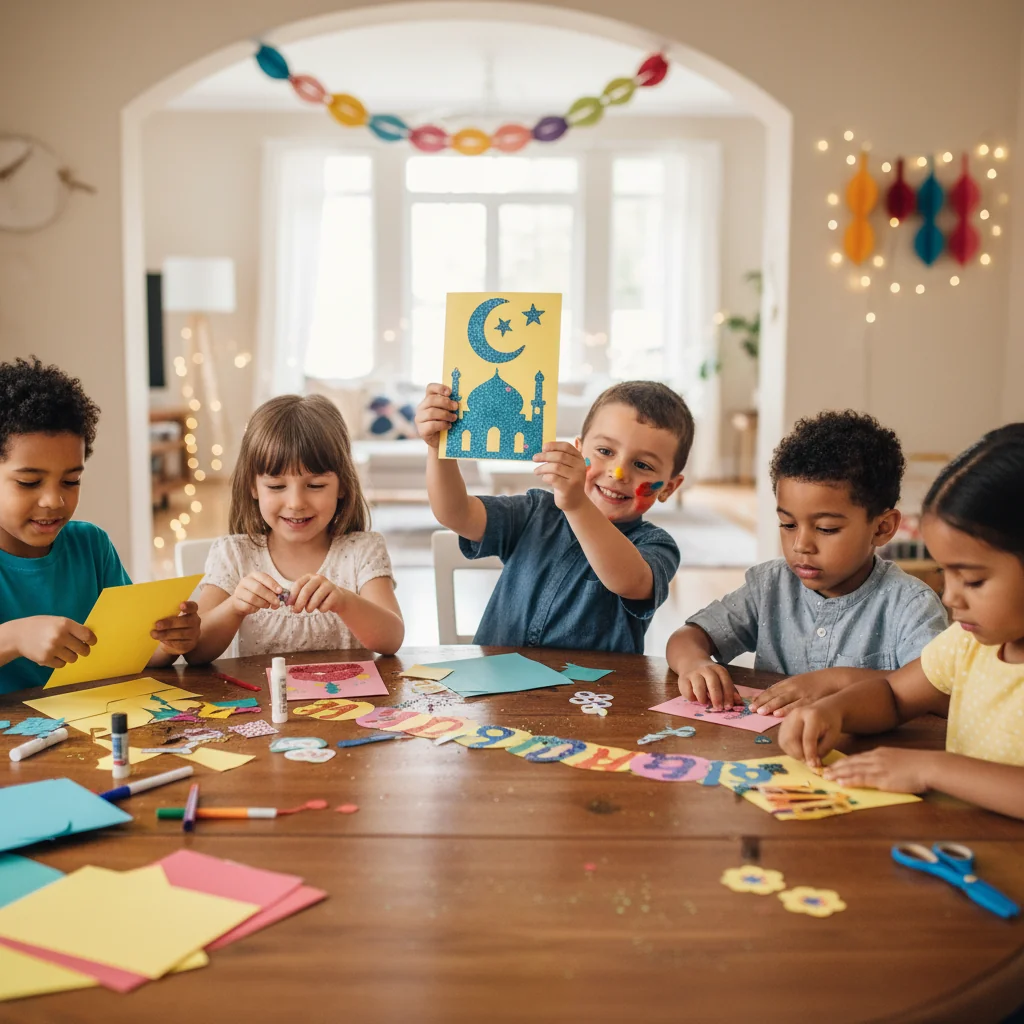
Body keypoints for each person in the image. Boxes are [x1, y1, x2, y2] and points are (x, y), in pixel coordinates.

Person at [779, 425, 1024, 820]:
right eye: (946, 573)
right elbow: (893, 696)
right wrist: (834, 711)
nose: (950, 597)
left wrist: (931, 768)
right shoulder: (969, 644)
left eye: (973, 580)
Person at [667, 410, 946, 710]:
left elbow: (938, 691)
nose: (801, 545)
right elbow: (686, 638)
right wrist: (694, 663)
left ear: (882, 528)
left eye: (826, 529)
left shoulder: (909, 604)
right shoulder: (770, 586)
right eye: (788, 525)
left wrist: (837, 682)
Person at [414, 380, 692, 652]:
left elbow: (630, 581)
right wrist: (439, 448)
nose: (617, 473)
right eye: (605, 451)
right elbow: (455, 513)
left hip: (595, 697)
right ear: (578, 449)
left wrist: (577, 505)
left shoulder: (656, 544)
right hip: (497, 689)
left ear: (668, 487)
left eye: (642, 465)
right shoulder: (535, 511)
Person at [0, 357, 199, 692]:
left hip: (91, 729)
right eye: (30, 483)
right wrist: (14, 638)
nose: (54, 501)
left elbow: (136, 649)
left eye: (71, 481)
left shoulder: (91, 546)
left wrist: (169, 641)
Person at [188, 394, 403, 661]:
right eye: (277, 486)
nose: (296, 503)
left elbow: (391, 640)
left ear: (343, 485)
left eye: (315, 486)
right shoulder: (233, 555)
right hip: (265, 702)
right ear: (253, 487)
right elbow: (196, 652)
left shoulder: (363, 550)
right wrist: (234, 607)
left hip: (351, 702)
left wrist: (345, 602)